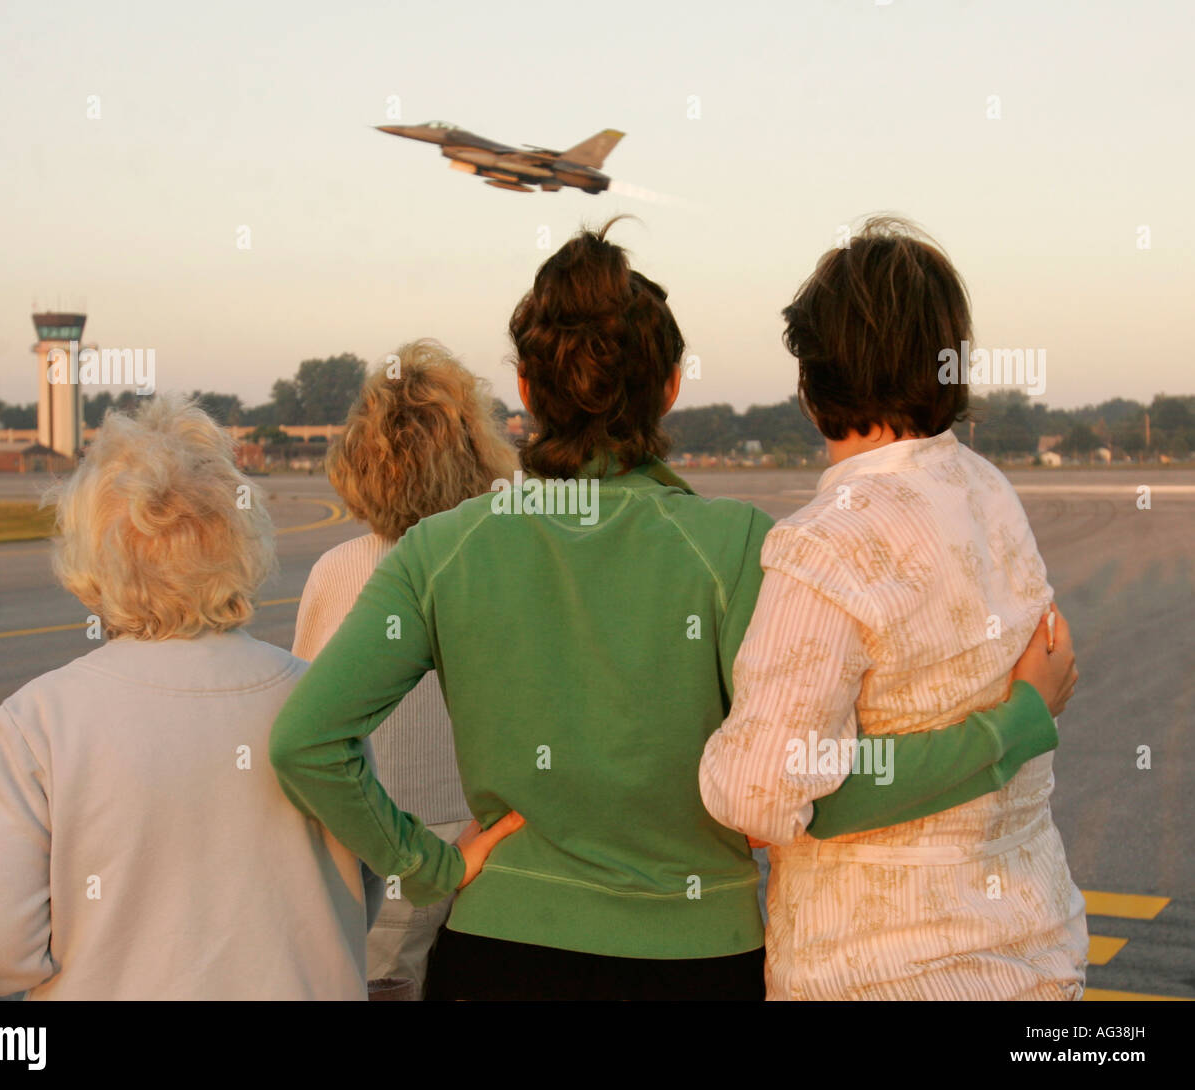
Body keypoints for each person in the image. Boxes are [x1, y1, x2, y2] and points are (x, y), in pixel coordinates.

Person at [270, 218, 1074, 1001]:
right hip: (698, 961)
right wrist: (1012, 725)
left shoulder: (442, 549)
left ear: (524, 385)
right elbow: (816, 795)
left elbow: (307, 741)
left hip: (498, 954)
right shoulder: (738, 547)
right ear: (672, 384)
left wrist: (427, 864)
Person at [699, 216, 1089, 1000]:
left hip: (879, 975)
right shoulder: (990, 494)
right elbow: (1041, 687)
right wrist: (1015, 721)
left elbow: (755, 795)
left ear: (813, 385)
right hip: (1035, 960)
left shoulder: (824, 548)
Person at [0, 395, 379, 1000]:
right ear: (241, 538)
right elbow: (367, 881)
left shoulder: (39, 719)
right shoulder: (321, 701)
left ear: (92, 555)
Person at [293, 340, 519, 993]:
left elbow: (309, 725)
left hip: (377, 844)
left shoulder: (338, 572)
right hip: (494, 840)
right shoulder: (509, 561)